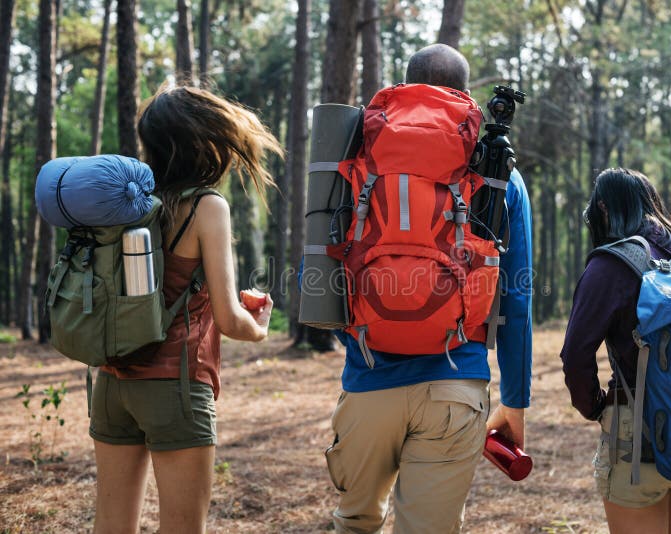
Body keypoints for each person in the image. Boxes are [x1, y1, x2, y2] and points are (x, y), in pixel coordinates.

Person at [323, 43, 534, 533]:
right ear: (466, 96)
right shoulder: (498, 173)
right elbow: (517, 298)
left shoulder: (356, 158)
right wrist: (516, 401)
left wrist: (363, 335)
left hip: (368, 382)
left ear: (406, 86)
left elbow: (315, 270)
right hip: (456, 387)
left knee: (355, 524)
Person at [89, 85, 282, 534]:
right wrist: (259, 327)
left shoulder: (127, 202)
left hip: (112, 382)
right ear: (202, 142)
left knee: (111, 525)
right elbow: (230, 319)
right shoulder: (206, 206)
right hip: (175, 386)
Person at [560, 168, 671, 534]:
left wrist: (594, 407)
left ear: (603, 209)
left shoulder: (611, 264)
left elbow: (576, 355)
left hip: (639, 433)